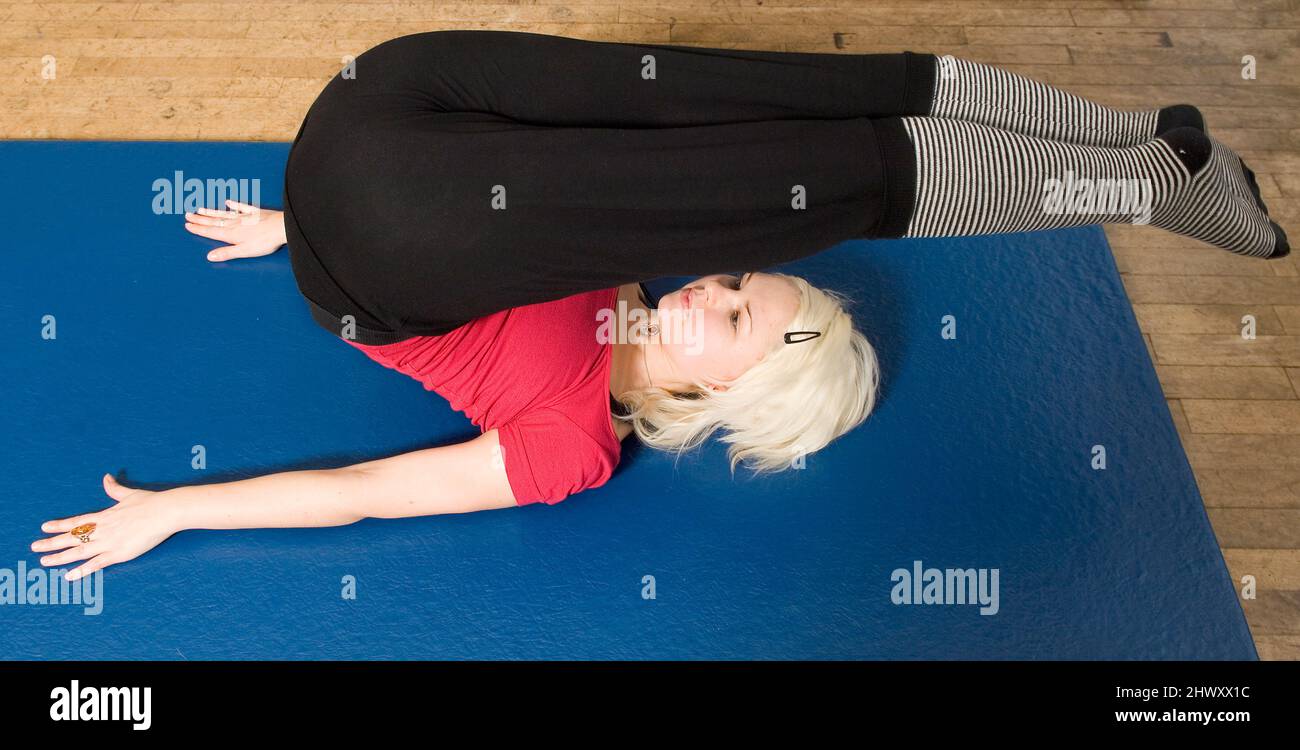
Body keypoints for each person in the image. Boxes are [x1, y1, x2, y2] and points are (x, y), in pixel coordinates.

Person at [33, 30, 1288, 581]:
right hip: (378, 108)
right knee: (773, 108)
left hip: (370, 260)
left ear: (711, 399)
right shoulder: (629, 263)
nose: (716, 282)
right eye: (740, 282)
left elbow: (368, 490)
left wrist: (183, 513)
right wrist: (290, 209)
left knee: (789, 173)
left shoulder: (566, 446)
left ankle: (1139, 182)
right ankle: (1144, 142)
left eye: (733, 314)